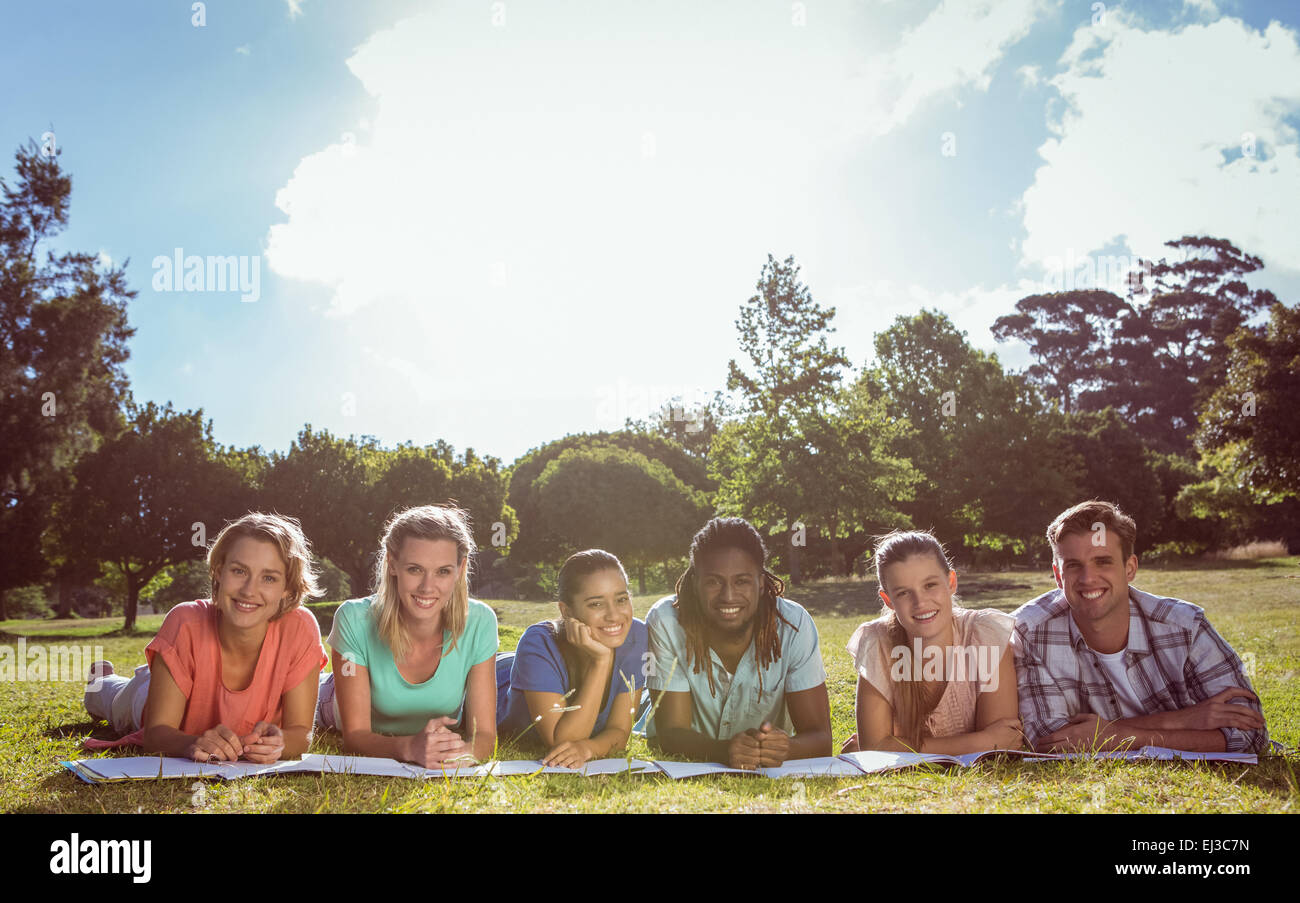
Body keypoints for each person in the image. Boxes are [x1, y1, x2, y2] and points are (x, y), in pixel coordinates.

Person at [1013, 500, 1269, 753]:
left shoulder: (1184, 625)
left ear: (1130, 568)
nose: (1088, 578)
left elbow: (1251, 733)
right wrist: (1182, 720)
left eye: (1103, 561)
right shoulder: (1031, 631)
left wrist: (1118, 735)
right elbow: (1051, 741)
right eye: (1073, 565)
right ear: (1058, 576)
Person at [83, 512, 327, 763]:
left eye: (268, 578)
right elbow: (156, 734)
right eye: (239, 571)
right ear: (219, 571)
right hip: (149, 696)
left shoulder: (300, 628)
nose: (249, 590)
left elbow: (301, 733)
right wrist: (192, 743)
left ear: (287, 587)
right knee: (113, 699)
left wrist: (281, 743)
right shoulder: (185, 621)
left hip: (180, 675)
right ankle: (101, 679)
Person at [316, 504, 498, 768]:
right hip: (331, 696)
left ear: (460, 569)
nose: (427, 587)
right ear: (392, 564)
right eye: (415, 569)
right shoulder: (353, 619)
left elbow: (484, 736)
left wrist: (462, 755)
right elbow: (354, 737)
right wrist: (409, 747)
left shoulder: (480, 622)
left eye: (443, 571)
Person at [645, 517, 831, 769]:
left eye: (741, 581)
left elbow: (820, 738)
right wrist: (722, 751)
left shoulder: (793, 625)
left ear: (761, 583)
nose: (728, 596)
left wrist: (787, 749)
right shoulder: (667, 620)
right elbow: (670, 733)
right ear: (695, 583)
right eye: (713, 582)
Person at [842, 531, 1021, 754]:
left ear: (951, 582)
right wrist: (981, 741)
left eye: (930, 585)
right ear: (888, 600)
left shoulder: (984, 635)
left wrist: (897, 745)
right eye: (904, 592)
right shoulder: (878, 642)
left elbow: (1002, 746)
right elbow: (875, 748)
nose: (920, 603)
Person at [496, 549, 648, 768]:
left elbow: (620, 732)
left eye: (621, 599)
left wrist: (588, 749)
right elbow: (561, 741)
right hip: (501, 677)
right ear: (566, 611)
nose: (614, 615)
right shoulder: (538, 642)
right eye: (596, 604)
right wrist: (601, 662)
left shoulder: (636, 635)